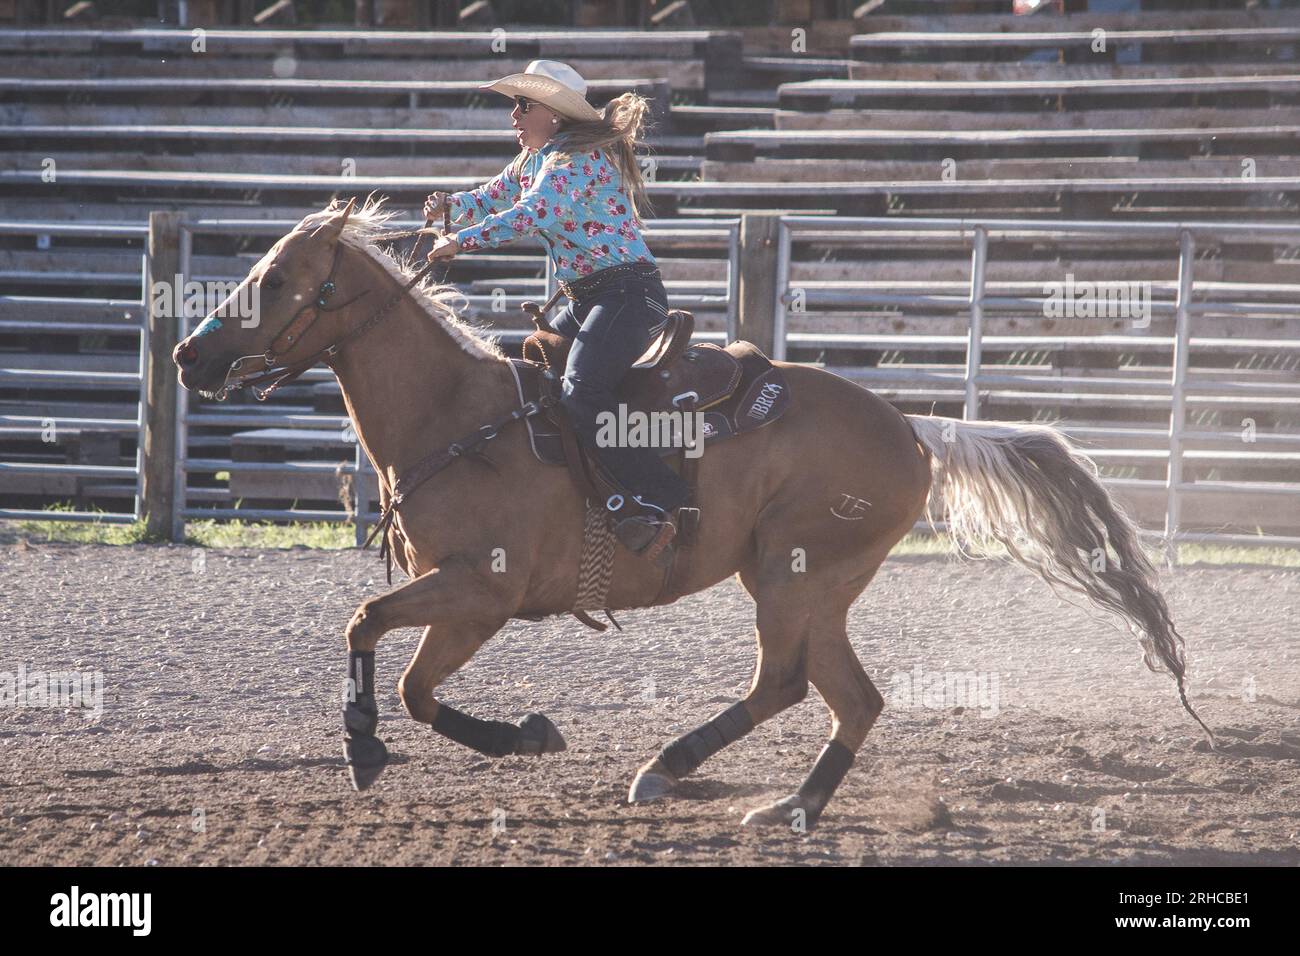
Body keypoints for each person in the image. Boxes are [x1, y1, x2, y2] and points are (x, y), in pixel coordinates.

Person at [422, 60, 689, 563]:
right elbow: (493, 196)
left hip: (627, 296)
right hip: (590, 298)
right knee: (528, 375)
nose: (514, 116)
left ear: (555, 114)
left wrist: (460, 240)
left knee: (583, 390)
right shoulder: (536, 160)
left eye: (524, 106)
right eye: (515, 106)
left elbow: (531, 213)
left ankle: (658, 499)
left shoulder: (576, 161)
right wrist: (450, 204)